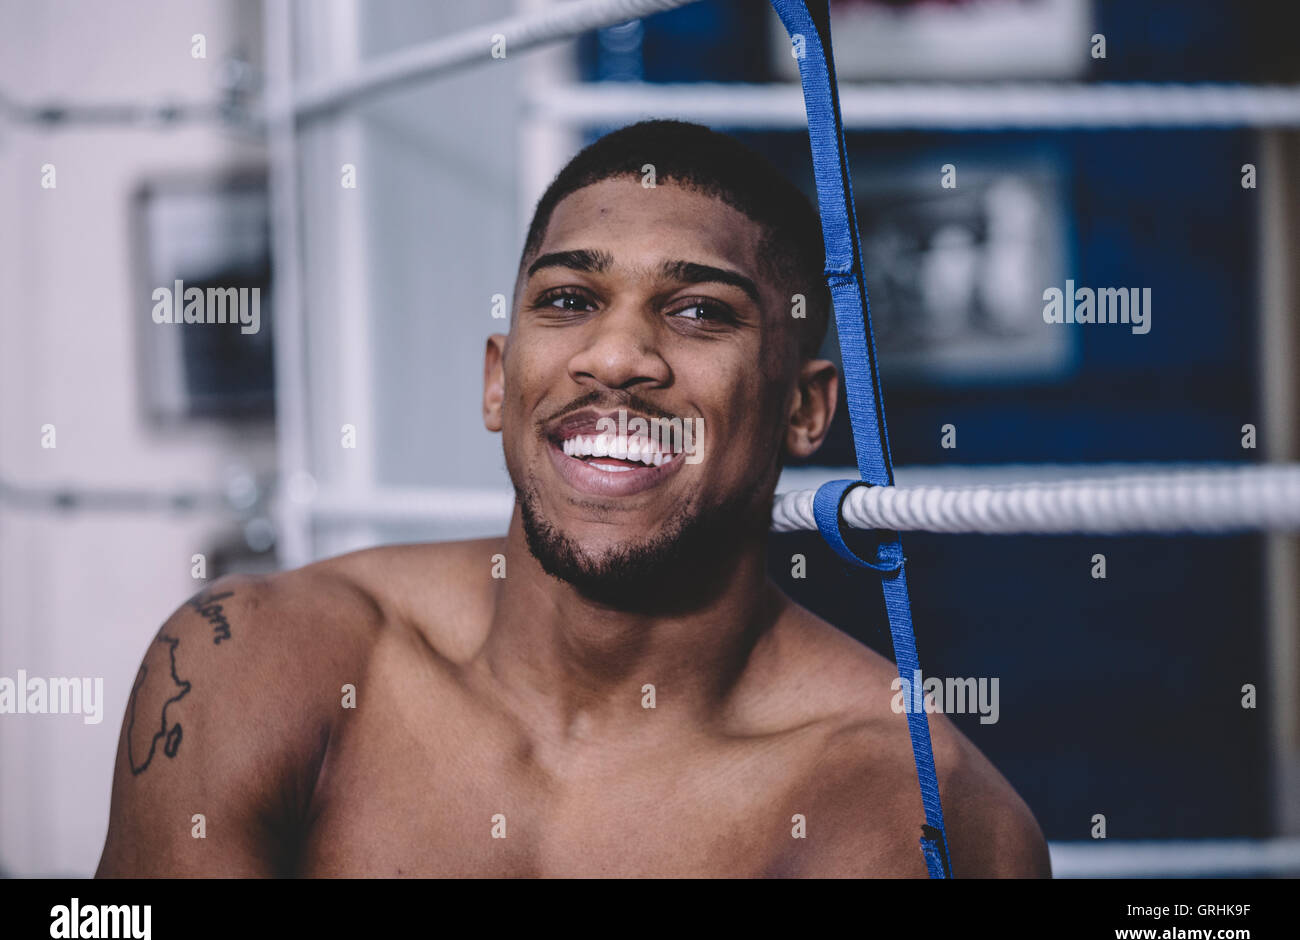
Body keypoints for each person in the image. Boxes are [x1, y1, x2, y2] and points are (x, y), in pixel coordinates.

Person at [97, 120, 1050, 877]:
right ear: (498, 383)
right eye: (567, 300)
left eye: (699, 312)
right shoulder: (251, 663)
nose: (616, 358)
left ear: (803, 410)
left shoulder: (908, 805)